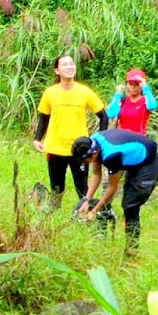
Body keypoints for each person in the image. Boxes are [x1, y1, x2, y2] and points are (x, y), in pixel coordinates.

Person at [31, 53, 108, 211]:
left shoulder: (85, 92)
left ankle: (85, 213)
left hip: (80, 149)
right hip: (55, 147)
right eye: (65, 64)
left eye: (71, 64)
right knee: (56, 187)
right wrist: (37, 139)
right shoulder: (50, 93)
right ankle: (54, 215)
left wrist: (100, 141)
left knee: (82, 187)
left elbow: (103, 116)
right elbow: (44, 118)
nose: (69, 67)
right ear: (57, 70)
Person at [71, 129, 158, 253]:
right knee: (127, 201)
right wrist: (86, 200)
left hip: (148, 162)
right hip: (132, 161)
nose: (84, 163)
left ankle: (132, 250)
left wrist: (94, 211)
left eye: (85, 161)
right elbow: (96, 174)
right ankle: (124, 244)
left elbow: (112, 187)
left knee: (130, 206)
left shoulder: (110, 155)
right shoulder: (94, 141)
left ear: (94, 153)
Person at [107, 69, 158, 135]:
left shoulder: (145, 100)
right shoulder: (123, 100)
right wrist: (117, 95)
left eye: (136, 84)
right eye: (130, 84)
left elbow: (152, 106)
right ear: (127, 85)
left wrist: (145, 87)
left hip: (138, 138)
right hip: (122, 137)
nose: (133, 87)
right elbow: (111, 114)